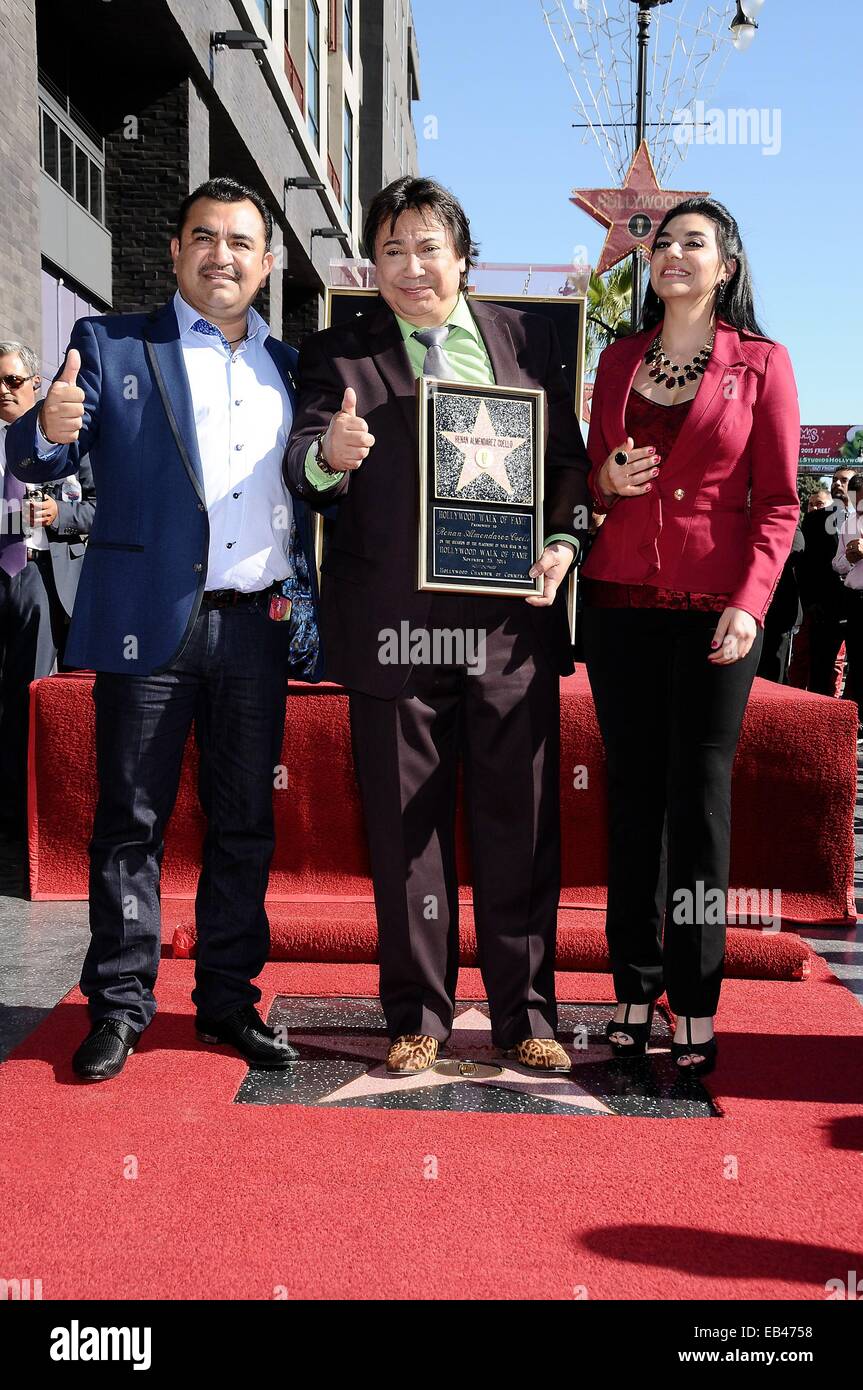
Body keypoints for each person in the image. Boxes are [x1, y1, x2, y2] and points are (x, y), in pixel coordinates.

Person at [6, 176, 322, 1082]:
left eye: (239, 242)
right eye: (203, 237)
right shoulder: (108, 345)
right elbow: (45, 450)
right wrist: (42, 426)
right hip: (150, 628)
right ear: (175, 251)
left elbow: (315, 486)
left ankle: (227, 998)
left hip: (256, 627)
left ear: (267, 264)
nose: (221, 254)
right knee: (129, 820)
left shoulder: (292, 369)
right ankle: (118, 1005)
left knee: (245, 823)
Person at [285, 176, 591, 1075]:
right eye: (391, 250)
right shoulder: (336, 353)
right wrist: (328, 458)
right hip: (393, 628)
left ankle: (525, 1013)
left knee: (520, 819)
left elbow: (565, 468)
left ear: (463, 255)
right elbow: (303, 468)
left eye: (427, 247)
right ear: (369, 265)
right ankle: (416, 1009)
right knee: (403, 827)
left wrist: (563, 540)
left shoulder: (528, 340)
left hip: (509, 624)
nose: (411, 266)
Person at [580, 197, 800, 1076]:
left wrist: (750, 602)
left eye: (693, 243)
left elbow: (778, 501)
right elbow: (591, 487)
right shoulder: (617, 358)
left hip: (717, 612)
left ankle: (695, 997)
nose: (672, 253)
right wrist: (603, 479)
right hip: (617, 602)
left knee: (697, 804)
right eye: (662, 242)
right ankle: (630, 986)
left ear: (727, 267)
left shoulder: (763, 364)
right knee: (631, 798)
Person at [0, 341, 95, 840]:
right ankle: (12, 812)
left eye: (13, 381)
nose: (3, 391)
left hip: (52, 577)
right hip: (3, 571)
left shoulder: (67, 434)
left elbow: (102, 507)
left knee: (44, 696)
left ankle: (51, 809)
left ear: (35, 384)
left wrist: (62, 516)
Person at [830, 471, 863, 732]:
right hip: (854, 598)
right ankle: (853, 722)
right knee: (856, 659)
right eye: (856, 501)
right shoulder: (849, 523)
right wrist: (849, 560)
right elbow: (837, 563)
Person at [757, 521, 804, 684]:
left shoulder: (793, 530)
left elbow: (790, 560)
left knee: (774, 665)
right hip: (758, 604)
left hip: (779, 608)